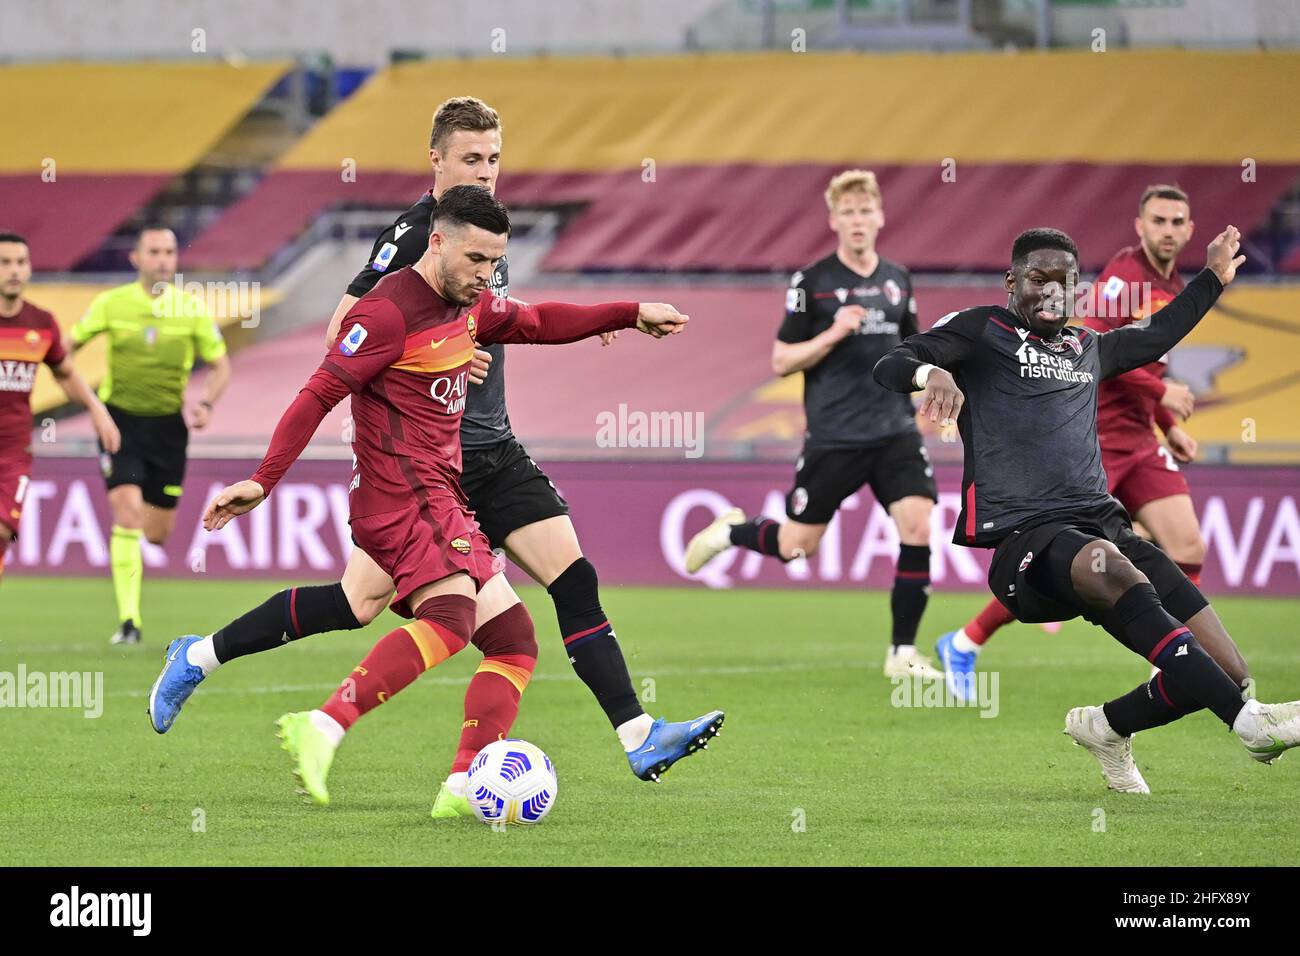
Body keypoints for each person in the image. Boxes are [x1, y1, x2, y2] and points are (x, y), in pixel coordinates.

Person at [148, 97, 722, 794]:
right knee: (387, 609)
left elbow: (529, 319)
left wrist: (624, 313)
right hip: (413, 468)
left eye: (494, 160)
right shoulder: (416, 247)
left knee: (545, 598)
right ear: (438, 163)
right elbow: (342, 346)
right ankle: (268, 691)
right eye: (471, 160)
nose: (484, 173)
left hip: (483, 452)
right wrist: (428, 357)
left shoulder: (482, 240)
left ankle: (617, 740)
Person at [873, 224, 1298, 793]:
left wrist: (1216, 277)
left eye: (1065, 282)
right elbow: (891, 363)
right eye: (1037, 278)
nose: (1051, 291)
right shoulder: (982, 331)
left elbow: (1157, 333)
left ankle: (1108, 726)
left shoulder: (1087, 347)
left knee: (1229, 672)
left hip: (1104, 527)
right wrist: (934, 372)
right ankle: (1248, 726)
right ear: (1011, 281)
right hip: (1027, 543)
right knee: (1107, 562)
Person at [934, 186, 1210, 698]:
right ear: (1140, 225)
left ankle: (1173, 653)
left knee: (1187, 543)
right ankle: (967, 640)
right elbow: (1098, 349)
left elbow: (1140, 351)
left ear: (1190, 230)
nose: (1168, 230)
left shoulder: (1171, 282)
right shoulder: (1124, 280)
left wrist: (1166, 426)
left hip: (1139, 435)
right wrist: (1163, 391)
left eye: (1178, 221)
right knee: (1077, 554)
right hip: (1092, 435)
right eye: (1159, 220)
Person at [685, 170, 941, 679]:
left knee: (918, 526)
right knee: (798, 545)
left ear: (880, 216)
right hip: (835, 436)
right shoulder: (812, 283)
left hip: (895, 431)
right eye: (848, 212)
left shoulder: (897, 279)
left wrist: (934, 382)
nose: (858, 220)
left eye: (866, 210)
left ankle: (902, 654)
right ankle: (733, 532)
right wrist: (832, 334)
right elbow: (782, 360)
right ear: (834, 220)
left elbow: (913, 348)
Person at [70, 226, 231, 644]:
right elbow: (63, 354)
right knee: (126, 514)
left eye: (170, 252)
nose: (163, 259)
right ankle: (129, 623)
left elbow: (221, 365)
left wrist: (207, 404)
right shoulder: (111, 304)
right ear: (136, 259)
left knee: (156, 533)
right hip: (118, 423)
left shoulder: (191, 309)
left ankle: (132, 572)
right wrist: (93, 406)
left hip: (168, 429)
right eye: (154, 252)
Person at [0, 233, 120, 584]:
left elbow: (65, 373)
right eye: (5, 262)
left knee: (4, 531)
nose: (14, 270)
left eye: (21, 262)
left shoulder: (40, 323)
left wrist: (97, 410)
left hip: (13, 452)